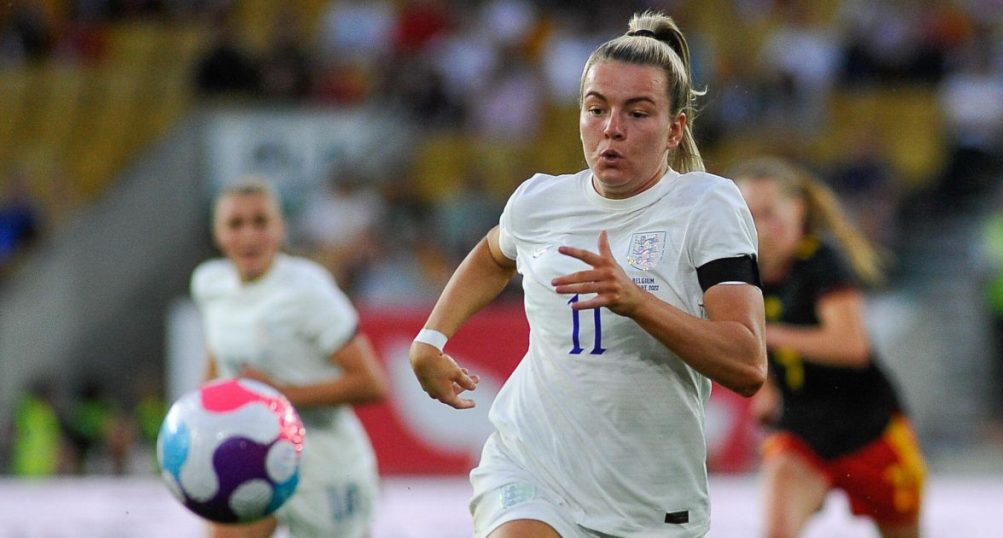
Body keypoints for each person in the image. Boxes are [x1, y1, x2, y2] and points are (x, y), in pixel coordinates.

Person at [409, 11, 767, 538]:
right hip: (532, 466)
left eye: (637, 113)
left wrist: (637, 302)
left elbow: (747, 362)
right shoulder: (540, 201)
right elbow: (492, 256)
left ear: (675, 130)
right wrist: (430, 340)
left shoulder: (707, 205)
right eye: (596, 109)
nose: (611, 129)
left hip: (650, 500)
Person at [730, 157, 927, 538]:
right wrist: (767, 390)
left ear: (798, 210)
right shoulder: (741, 271)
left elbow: (851, 345)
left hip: (870, 429)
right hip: (801, 431)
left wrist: (767, 334)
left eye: (769, 213)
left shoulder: (820, 261)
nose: (759, 227)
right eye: (748, 214)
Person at [191, 178, 388, 538]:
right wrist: (202, 429)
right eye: (235, 224)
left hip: (324, 466)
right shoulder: (209, 284)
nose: (249, 235)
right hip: (249, 460)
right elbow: (216, 355)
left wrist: (277, 396)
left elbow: (372, 383)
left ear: (280, 229)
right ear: (218, 234)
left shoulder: (308, 290)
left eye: (260, 221)